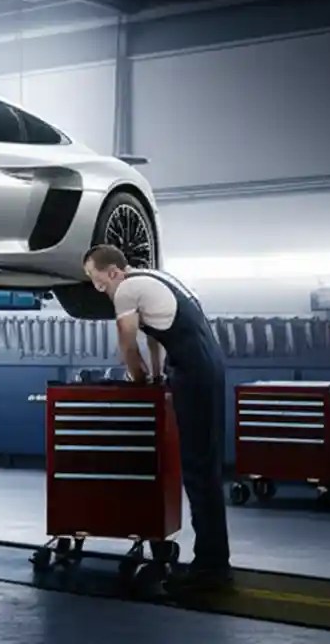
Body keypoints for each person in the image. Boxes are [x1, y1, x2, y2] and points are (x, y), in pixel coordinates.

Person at [82, 244, 233, 594]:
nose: (97, 287)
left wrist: (137, 380)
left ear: (114, 272)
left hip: (194, 373)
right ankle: (214, 561)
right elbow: (154, 338)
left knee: (198, 470)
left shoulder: (126, 290)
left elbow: (127, 343)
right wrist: (154, 375)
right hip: (205, 367)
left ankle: (211, 568)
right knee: (204, 468)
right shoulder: (153, 279)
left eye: (97, 279)